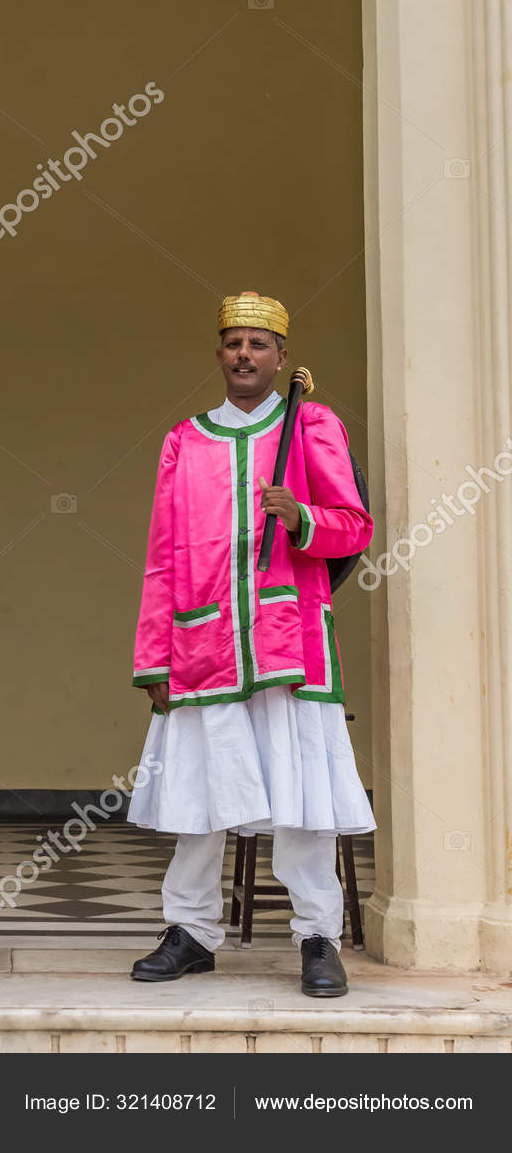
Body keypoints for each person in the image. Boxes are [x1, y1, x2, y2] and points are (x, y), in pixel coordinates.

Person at [127, 292, 374, 998]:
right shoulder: (187, 438)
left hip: (289, 641)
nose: (245, 355)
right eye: (234, 343)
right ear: (219, 354)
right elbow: (161, 554)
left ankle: (317, 935)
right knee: (197, 796)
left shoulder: (312, 424)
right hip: (203, 642)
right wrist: (154, 655)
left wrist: (302, 518)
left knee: (302, 801)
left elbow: (354, 528)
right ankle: (190, 931)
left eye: (259, 345)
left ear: (281, 357)